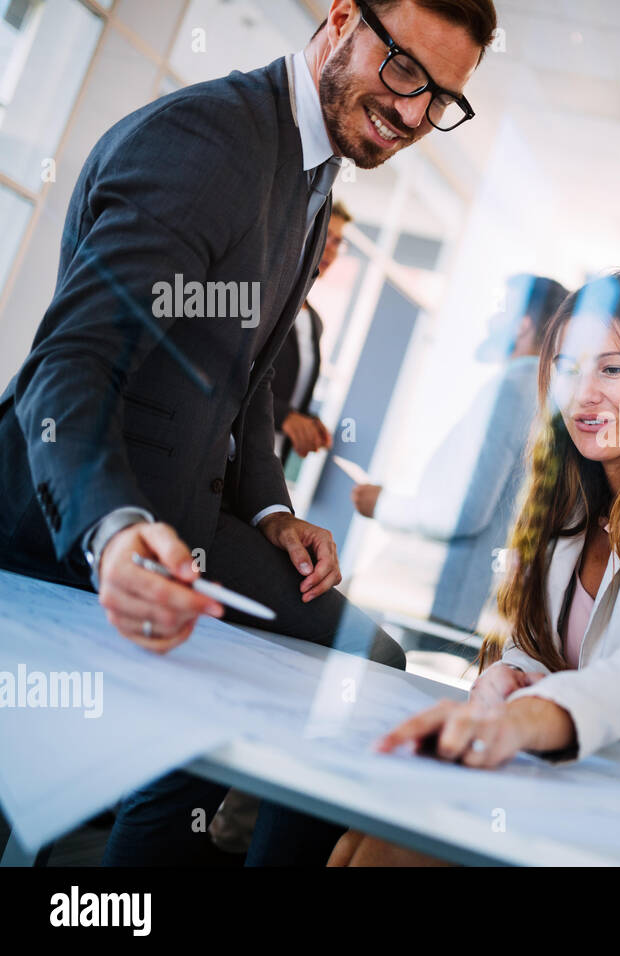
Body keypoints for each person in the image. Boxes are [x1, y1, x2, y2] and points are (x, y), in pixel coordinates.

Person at [0, 0, 497, 865]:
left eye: (442, 98)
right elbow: (68, 368)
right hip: (66, 515)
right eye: (406, 68)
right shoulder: (207, 143)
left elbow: (251, 376)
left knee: (366, 664)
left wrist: (271, 513)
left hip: (188, 512)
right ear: (342, 17)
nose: (415, 113)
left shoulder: (313, 166)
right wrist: (112, 534)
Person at [329, 270, 620, 866]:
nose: (584, 394)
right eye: (568, 367)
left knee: (393, 852)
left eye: (612, 369)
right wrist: (508, 677)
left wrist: (528, 722)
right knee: (361, 834)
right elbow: (542, 645)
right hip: (601, 771)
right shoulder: (573, 494)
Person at [350, 274, 569, 634]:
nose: (489, 321)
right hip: (469, 599)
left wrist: (384, 504)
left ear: (523, 326)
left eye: (500, 310)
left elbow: (465, 512)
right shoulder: (542, 393)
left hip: (449, 601)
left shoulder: (513, 390)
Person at [273, 201, 354, 463]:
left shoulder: (315, 321)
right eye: (327, 235)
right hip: (229, 451)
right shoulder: (269, 297)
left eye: (338, 241)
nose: (331, 247)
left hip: (271, 459)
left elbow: (288, 390)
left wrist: (307, 421)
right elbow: (233, 377)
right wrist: (284, 416)